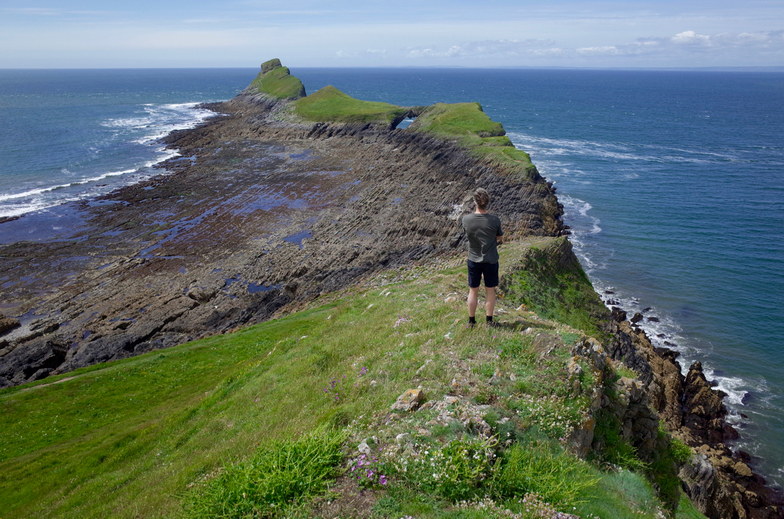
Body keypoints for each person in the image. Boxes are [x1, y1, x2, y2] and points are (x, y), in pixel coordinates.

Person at [461, 188, 503, 328]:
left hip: (473, 259)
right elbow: (498, 238)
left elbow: (467, 235)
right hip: (491, 260)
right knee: (490, 290)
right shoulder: (495, 220)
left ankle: (471, 321)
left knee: (473, 290)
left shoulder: (466, 219)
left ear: (474, 202)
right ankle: (489, 321)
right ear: (487, 202)